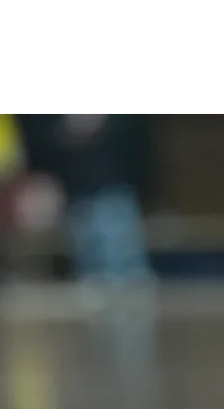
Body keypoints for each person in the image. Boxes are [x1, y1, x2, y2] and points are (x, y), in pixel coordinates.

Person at [16, 109, 152, 286]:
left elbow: (137, 143)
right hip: (67, 198)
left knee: (121, 259)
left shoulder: (122, 118)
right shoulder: (45, 119)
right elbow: (36, 148)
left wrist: (102, 121)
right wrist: (64, 127)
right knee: (87, 278)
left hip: (115, 196)